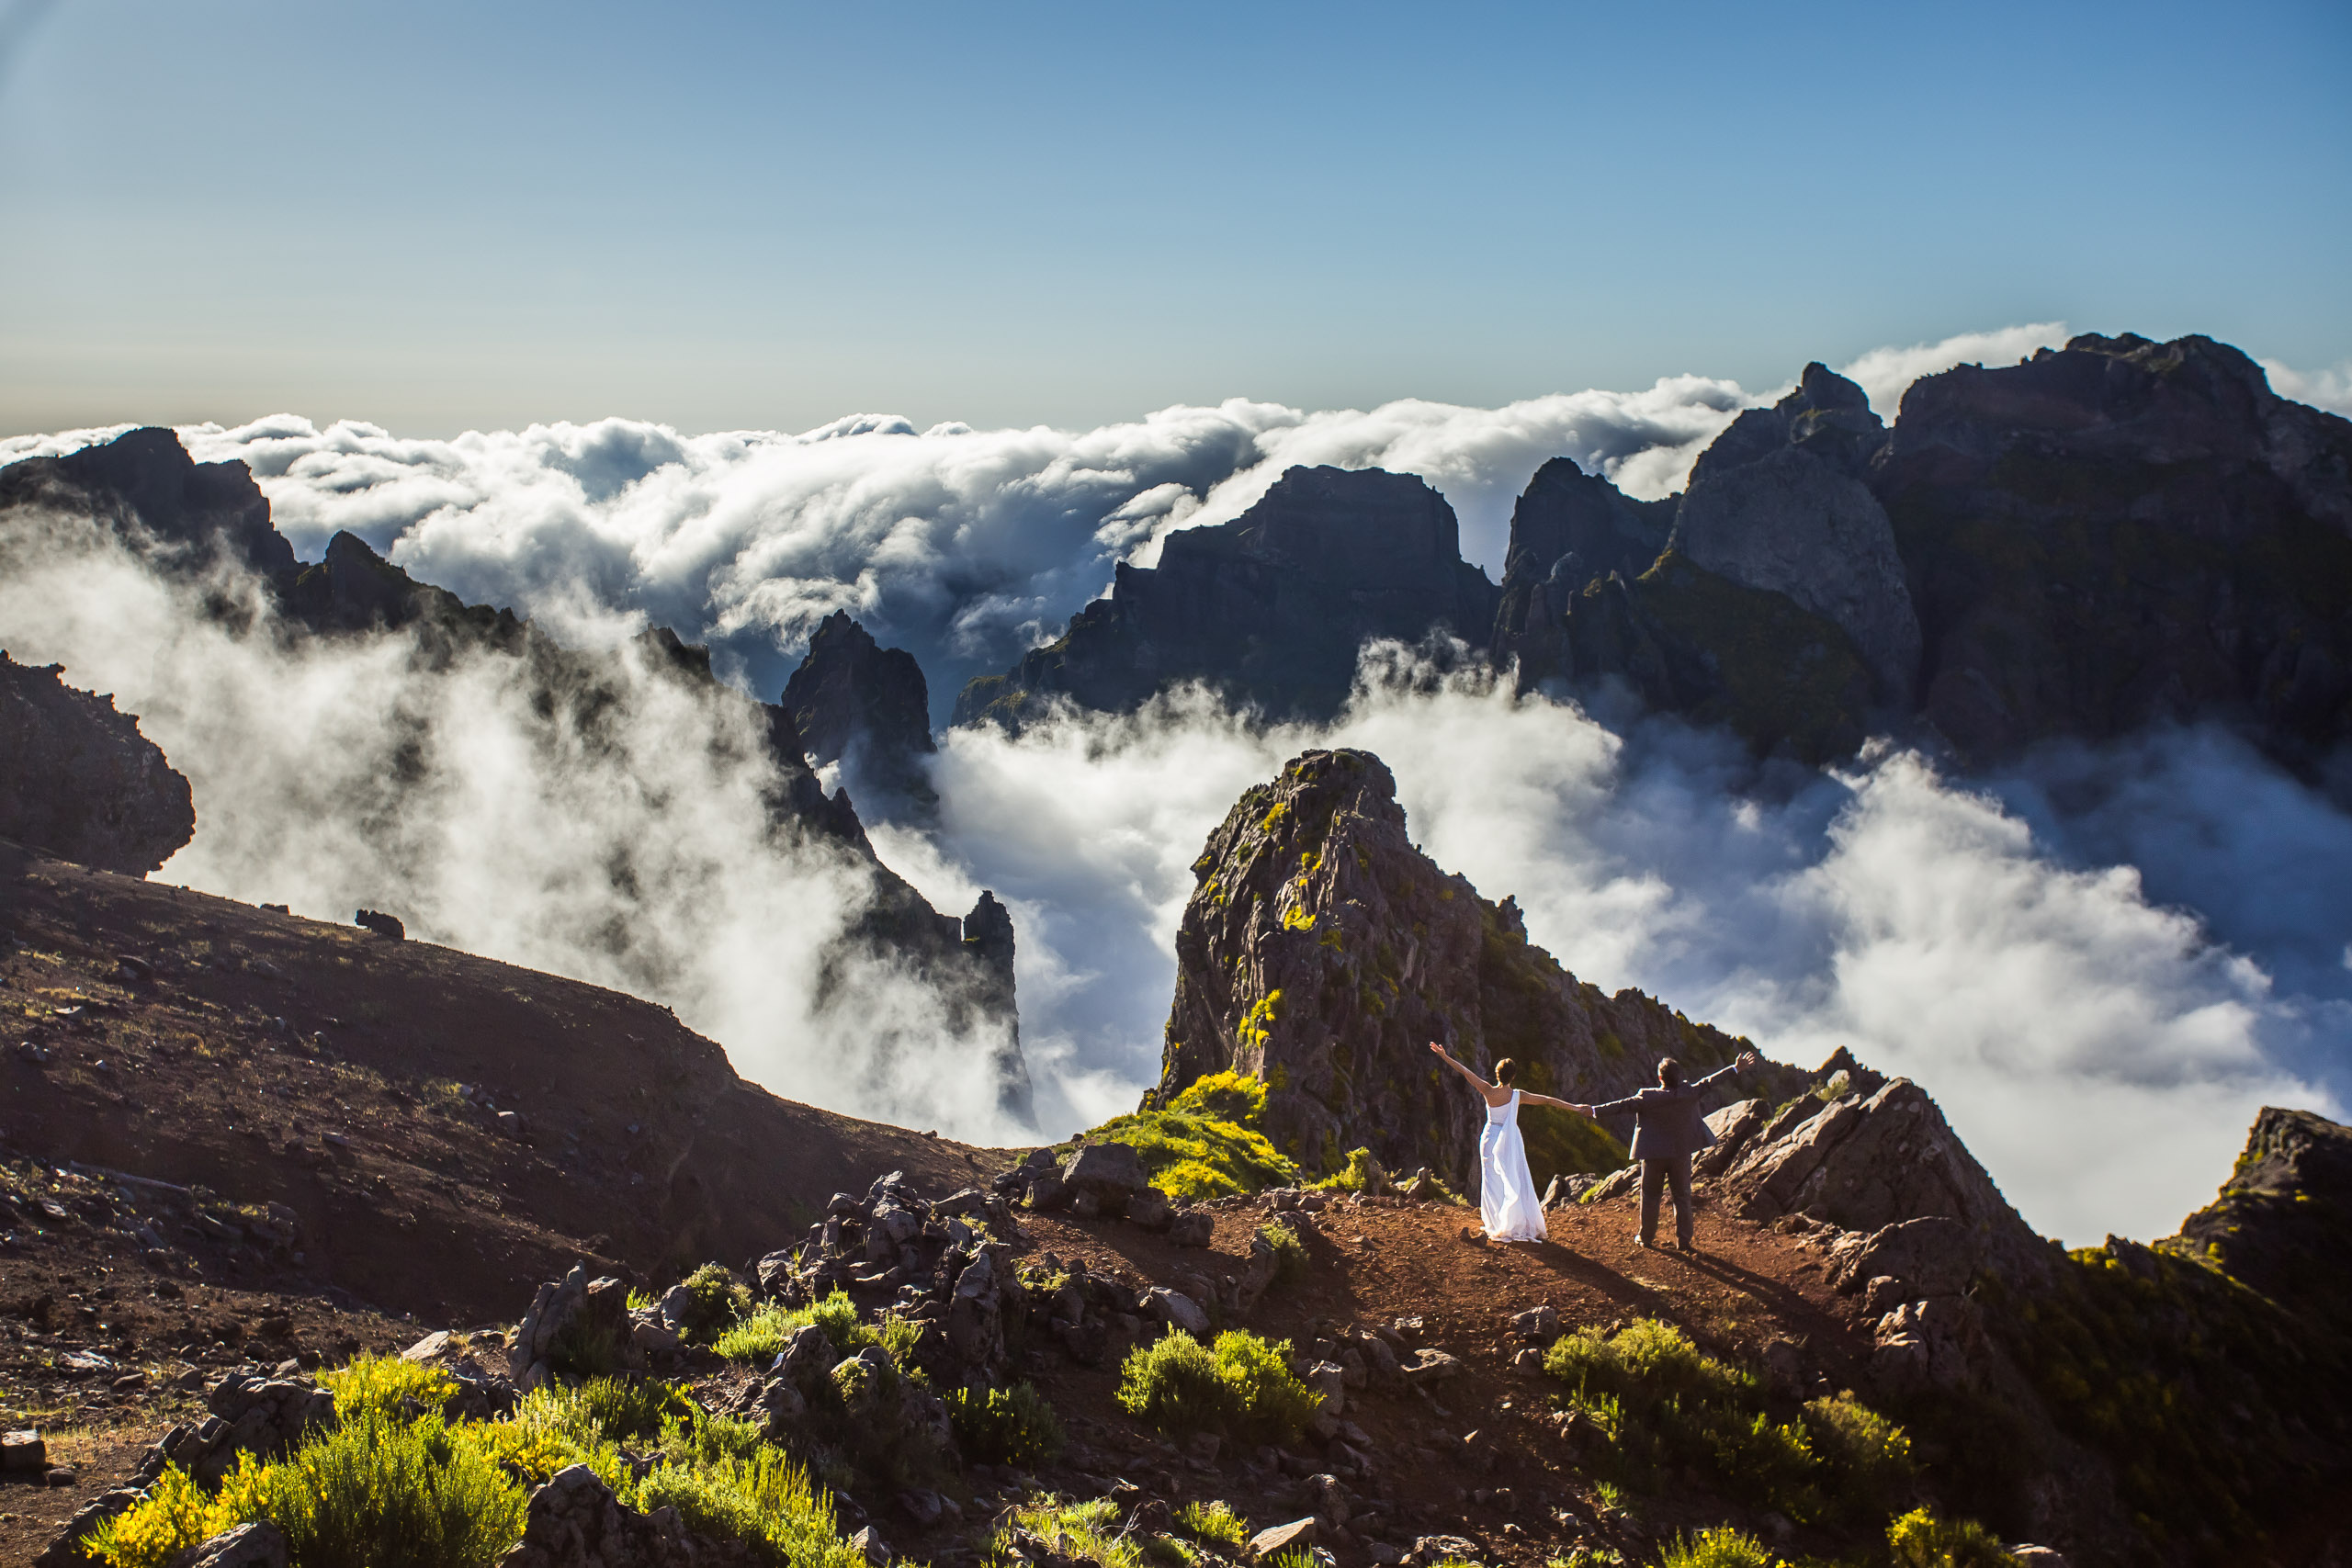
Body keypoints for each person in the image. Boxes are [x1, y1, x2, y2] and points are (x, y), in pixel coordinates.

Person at [1567, 1051, 1761, 1252]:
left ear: (1660, 1078)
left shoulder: (1647, 1097)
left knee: (1650, 1196)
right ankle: (1684, 1241)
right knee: (1682, 1196)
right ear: (1679, 1077)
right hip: (1680, 1154)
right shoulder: (1690, 1092)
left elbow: (1621, 1106)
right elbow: (1709, 1082)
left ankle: (1646, 1238)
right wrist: (1736, 1068)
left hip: (1653, 1156)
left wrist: (1594, 1110)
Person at [1427, 1041, 1579, 1243]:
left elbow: (1465, 1071)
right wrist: (1576, 1108)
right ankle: (1513, 1220)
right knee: (1513, 1180)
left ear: (1497, 1074)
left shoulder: (1488, 1091)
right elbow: (1548, 1100)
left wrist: (1444, 1055)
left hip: (1490, 1138)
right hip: (1509, 1142)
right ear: (1513, 1076)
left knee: (1491, 1181)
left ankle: (1496, 1221)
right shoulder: (1518, 1096)